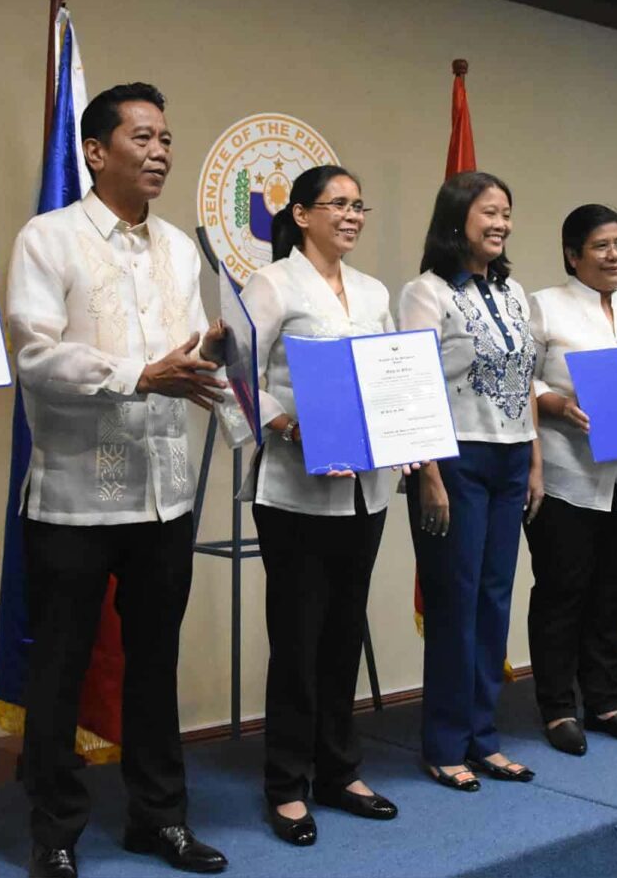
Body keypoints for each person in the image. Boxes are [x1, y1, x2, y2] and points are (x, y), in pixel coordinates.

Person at [6, 83, 230, 878]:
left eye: (168, 137)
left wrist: (216, 363)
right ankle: (55, 830)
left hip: (164, 492)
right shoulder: (48, 238)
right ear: (96, 151)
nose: (161, 150)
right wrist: (140, 373)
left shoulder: (177, 248)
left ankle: (158, 818)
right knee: (60, 665)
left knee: (154, 662)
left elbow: (186, 356)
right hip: (74, 495)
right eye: (143, 136)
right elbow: (33, 353)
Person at [239, 166, 400, 845]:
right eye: (339, 203)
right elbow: (238, 374)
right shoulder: (272, 282)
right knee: (298, 639)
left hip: (368, 486)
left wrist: (410, 430)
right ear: (302, 214)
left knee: (342, 634)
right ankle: (285, 783)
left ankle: (339, 769)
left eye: (360, 204)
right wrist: (285, 424)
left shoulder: (373, 290)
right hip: (296, 491)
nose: (353, 214)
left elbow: (395, 373)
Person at [400, 171, 541, 790]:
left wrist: (535, 462)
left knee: (494, 600)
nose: (501, 223)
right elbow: (415, 383)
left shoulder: (516, 293)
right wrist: (427, 472)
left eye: (507, 212)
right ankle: (444, 742)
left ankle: (485, 737)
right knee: (455, 604)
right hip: (454, 461)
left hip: (511, 461)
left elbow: (527, 381)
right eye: (490, 211)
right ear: (458, 218)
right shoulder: (425, 292)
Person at [525, 205, 617, 756]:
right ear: (573, 254)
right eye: (601, 246)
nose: (615, 256)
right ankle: (558, 708)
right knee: (562, 592)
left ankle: (607, 701)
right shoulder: (544, 306)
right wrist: (559, 404)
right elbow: (521, 379)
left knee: (614, 592)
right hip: (568, 473)